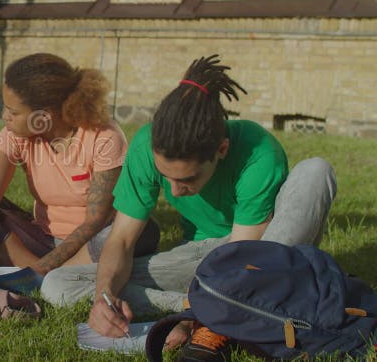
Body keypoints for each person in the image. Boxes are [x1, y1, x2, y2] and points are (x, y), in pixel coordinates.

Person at [41, 55, 337, 360]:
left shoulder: (257, 151)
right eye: (165, 177)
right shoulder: (145, 146)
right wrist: (105, 297)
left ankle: (213, 317)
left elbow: (242, 258)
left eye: (186, 179)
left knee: (316, 171)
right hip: (200, 259)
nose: (174, 190)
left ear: (221, 150)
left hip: (261, 251)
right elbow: (122, 240)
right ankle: (194, 306)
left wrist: (196, 319)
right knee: (58, 284)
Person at [0, 53, 159, 292]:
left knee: (127, 233)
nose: (5, 117)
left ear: (45, 116)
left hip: (89, 245)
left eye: (13, 112)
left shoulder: (104, 138)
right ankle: (47, 276)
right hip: (41, 240)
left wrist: (44, 267)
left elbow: (94, 222)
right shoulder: (15, 135)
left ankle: (41, 275)